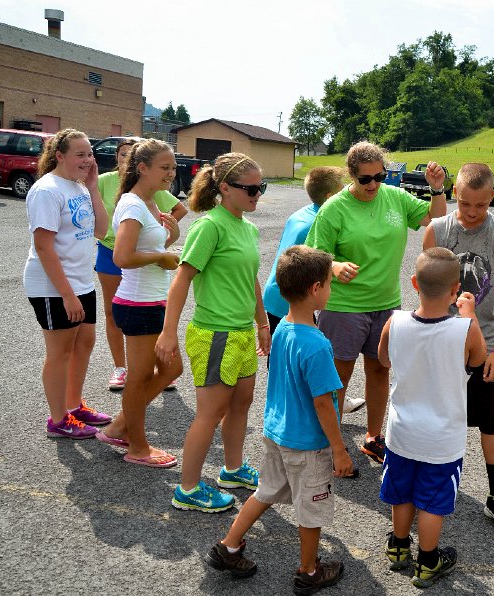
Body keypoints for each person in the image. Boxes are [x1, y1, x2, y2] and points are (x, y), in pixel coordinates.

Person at [204, 245, 354, 595]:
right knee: (311, 509)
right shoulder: (316, 344)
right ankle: (308, 570)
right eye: (329, 283)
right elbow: (323, 403)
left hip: (277, 432)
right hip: (307, 443)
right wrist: (340, 449)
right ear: (316, 289)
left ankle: (229, 546)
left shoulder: (284, 327)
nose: (330, 290)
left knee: (265, 491)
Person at [305, 141, 446, 467]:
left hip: (386, 302)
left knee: (380, 369)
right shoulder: (334, 209)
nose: (373, 185)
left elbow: (434, 219)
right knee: (336, 375)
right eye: (365, 179)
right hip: (343, 305)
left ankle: (373, 437)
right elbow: (314, 256)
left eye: (379, 176)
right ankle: (330, 441)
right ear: (351, 176)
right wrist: (335, 267)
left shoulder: (394, 198)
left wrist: (437, 189)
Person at [155, 152, 271, 512]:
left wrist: (263, 323)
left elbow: (250, 280)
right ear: (224, 188)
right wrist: (168, 331)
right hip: (215, 333)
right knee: (211, 412)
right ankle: (187, 489)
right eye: (250, 188)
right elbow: (182, 278)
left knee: (241, 404)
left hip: (241, 333)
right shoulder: (210, 226)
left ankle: (232, 470)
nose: (256, 194)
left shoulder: (247, 228)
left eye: (261, 187)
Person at [423, 163, 494, 539]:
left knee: (491, 421)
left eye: (480, 205)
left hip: (484, 344)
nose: (471, 212)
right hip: (442, 338)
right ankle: (430, 487)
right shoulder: (438, 229)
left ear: (492, 198)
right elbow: (426, 288)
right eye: (464, 203)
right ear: (455, 193)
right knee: (434, 417)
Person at [377, 247, 486, 588]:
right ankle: (428, 560)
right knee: (432, 501)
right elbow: (478, 360)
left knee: (402, 492)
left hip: (401, 431)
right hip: (441, 438)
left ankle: (398, 547)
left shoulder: (394, 322)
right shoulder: (464, 329)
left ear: (414, 283)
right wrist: (470, 316)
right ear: (456, 290)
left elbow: (383, 360)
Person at [95, 139, 183, 467]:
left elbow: (148, 248)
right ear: (142, 168)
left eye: (173, 167)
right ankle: (138, 446)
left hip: (151, 303)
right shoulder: (133, 205)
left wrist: (169, 237)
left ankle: (120, 425)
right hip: (137, 304)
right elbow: (121, 256)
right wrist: (161, 255)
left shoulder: (148, 202)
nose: (171, 174)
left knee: (172, 368)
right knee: (140, 376)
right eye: (165, 167)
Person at [24, 128, 112, 438]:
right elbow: (45, 248)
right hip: (54, 286)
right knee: (60, 352)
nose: (88, 160)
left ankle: (74, 406)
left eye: (90, 154)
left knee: (84, 343)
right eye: (80, 154)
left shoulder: (78, 187)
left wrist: (93, 188)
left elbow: (101, 231)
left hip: (81, 281)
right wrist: (67, 295)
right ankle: (58, 420)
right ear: (59, 156)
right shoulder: (47, 191)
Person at [262, 167, 365, 413]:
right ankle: (316, 401)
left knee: (284, 349)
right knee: (311, 349)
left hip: (276, 292)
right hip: (295, 296)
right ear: (331, 197)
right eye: (343, 188)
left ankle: (287, 398)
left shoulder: (301, 214)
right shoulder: (320, 221)